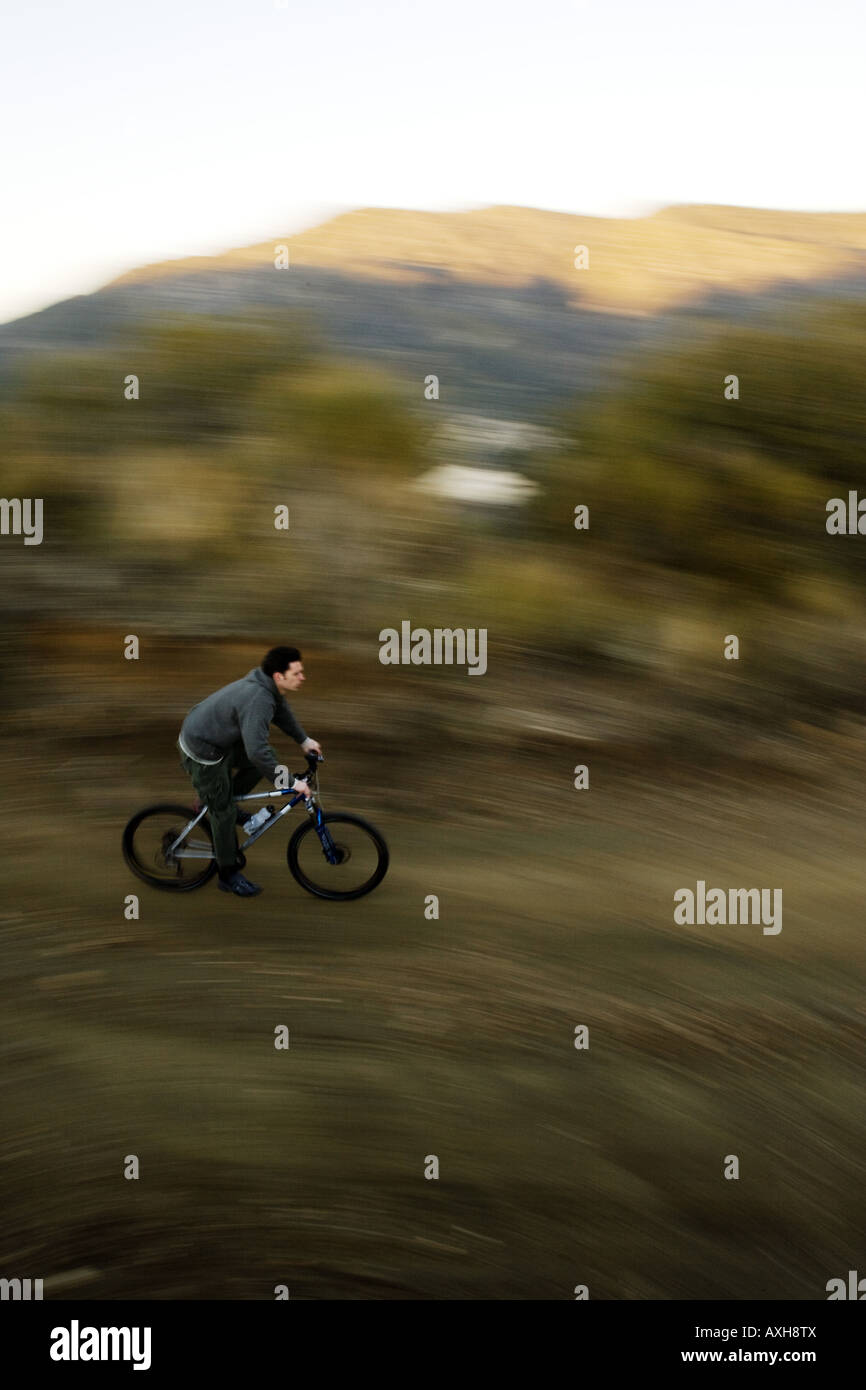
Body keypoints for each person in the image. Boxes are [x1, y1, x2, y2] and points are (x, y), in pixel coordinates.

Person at [178, 646, 322, 897]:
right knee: (222, 813)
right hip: (203, 752)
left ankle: (212, 800)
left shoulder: (268, 687)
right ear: (279, 676)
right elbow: (257, 752)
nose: (303, 677)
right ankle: (227, 874)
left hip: (217, 738)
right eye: (297, 673)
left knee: (268, 760)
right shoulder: (259, 699)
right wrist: (290, 783)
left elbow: (282, 713)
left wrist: (304, 740)